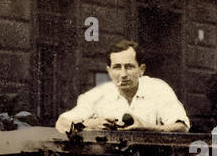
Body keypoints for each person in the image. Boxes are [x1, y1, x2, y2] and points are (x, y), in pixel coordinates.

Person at [55, 42, 189, 134]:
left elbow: (182, 127)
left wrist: (148, 128)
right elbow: (62, 123)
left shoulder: (158, 89)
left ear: (141, 70)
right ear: (109, 71)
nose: (123, 74)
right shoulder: (98, 94)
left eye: (129, 67)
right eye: (117, 67)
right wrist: (90, 124)